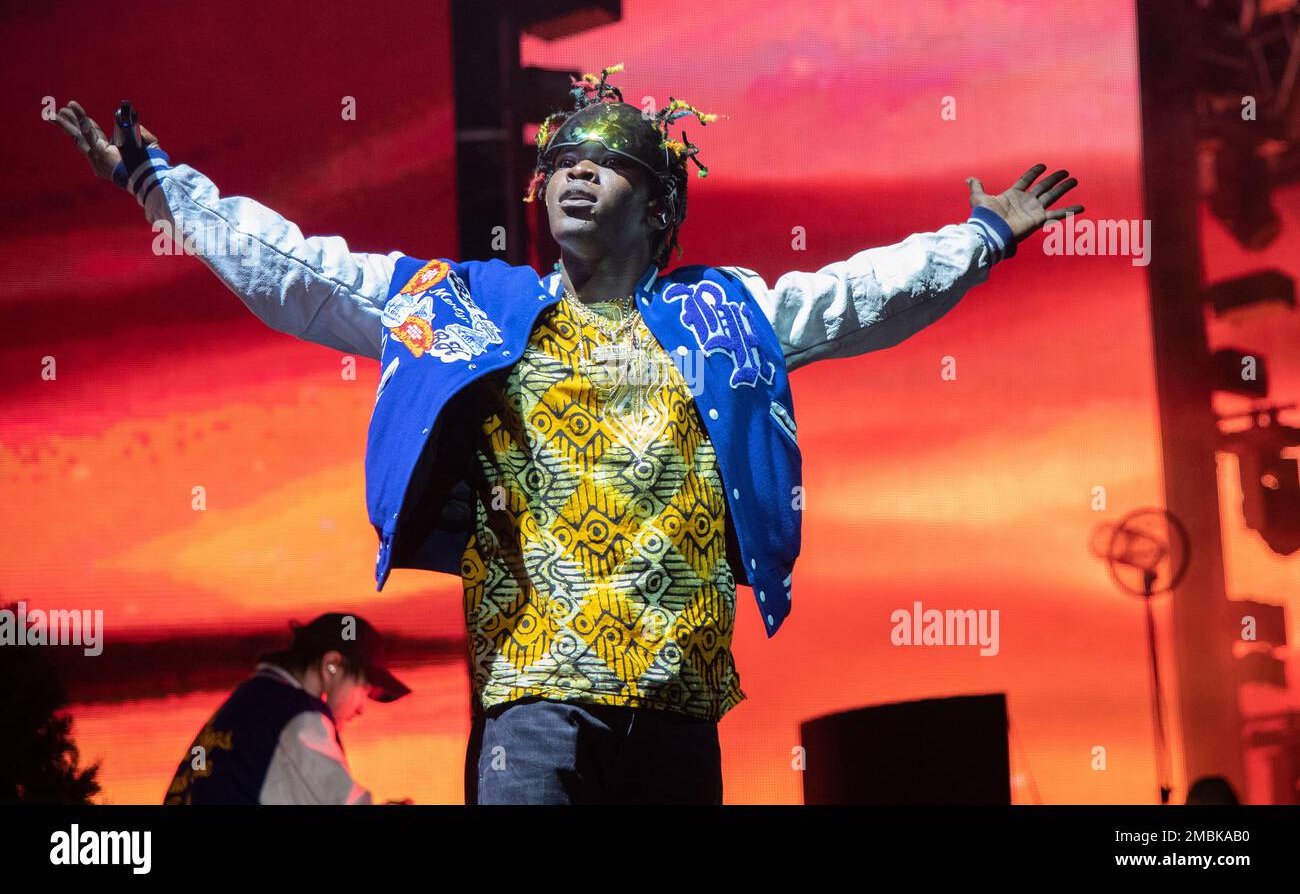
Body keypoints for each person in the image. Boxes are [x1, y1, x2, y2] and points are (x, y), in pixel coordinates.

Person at [55, 64, 1083, 804]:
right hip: (539, 701)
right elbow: (305, 273)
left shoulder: (721, 315)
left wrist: (979, 237)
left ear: (661, 204)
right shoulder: (470, 308)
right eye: (560, 167)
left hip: (677, 707)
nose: (575, 177)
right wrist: (162, 187)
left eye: (610, 165)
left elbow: (858, 298)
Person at [162, 613, 409, 804]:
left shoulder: (255, 699)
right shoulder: (297, 717)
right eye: (365, 688)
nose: (361, 709)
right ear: (332, 666)